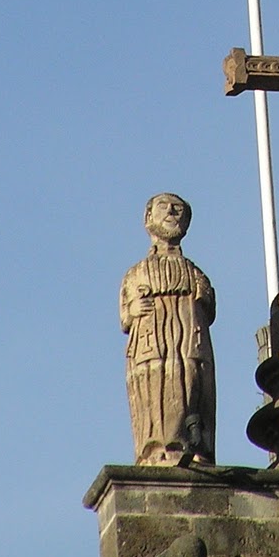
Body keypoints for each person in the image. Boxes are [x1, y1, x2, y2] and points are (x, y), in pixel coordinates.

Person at [120, 192, 216, 465]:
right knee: (155, 386)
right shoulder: (136, 272)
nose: (173, 212)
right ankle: (157, 448)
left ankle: (196, 445)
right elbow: (125, 313)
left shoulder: (194, 271)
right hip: (152, 342)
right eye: (165, 207)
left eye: (179, 209)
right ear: (148, 218)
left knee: (191, 382)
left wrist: (203, 297)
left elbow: (209, 307)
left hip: (189, 340)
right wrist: (133, 310)